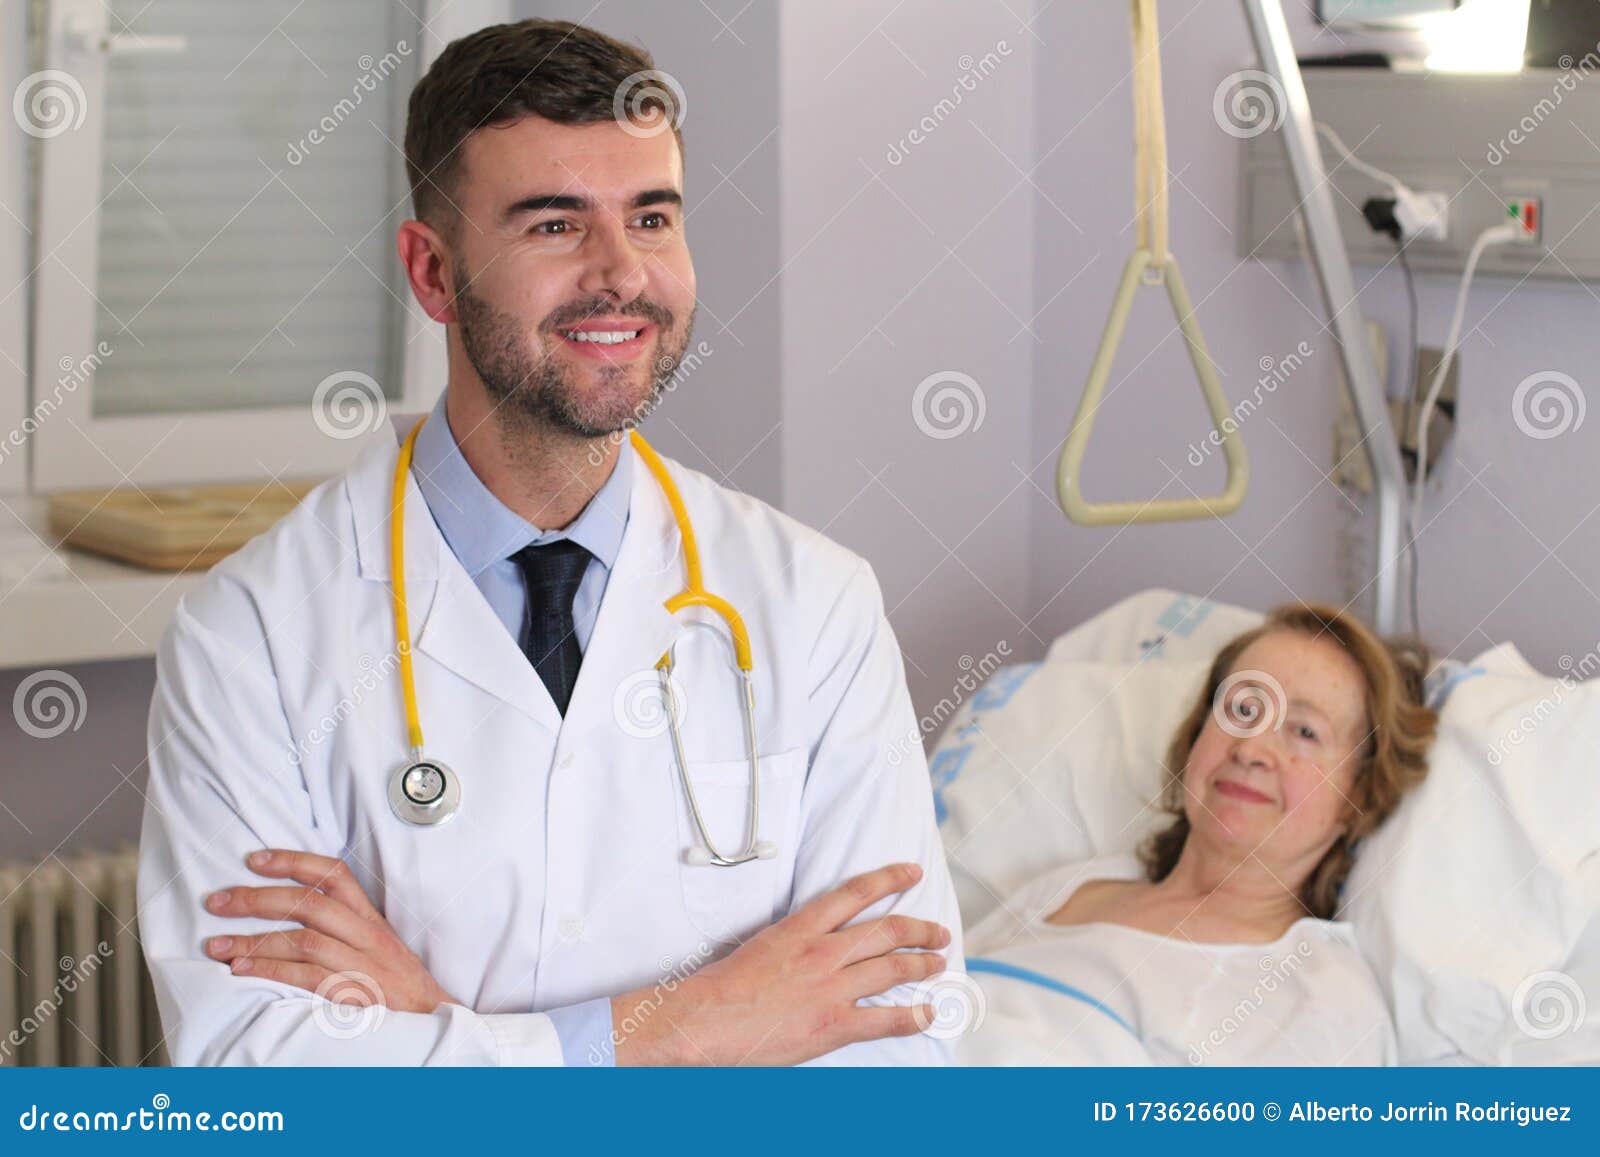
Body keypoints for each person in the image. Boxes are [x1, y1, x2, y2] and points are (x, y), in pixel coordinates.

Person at [137, 18, 960, 1067]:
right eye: (555, 225)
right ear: (432, 273)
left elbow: (899, 1048)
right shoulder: (250, 636)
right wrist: (692, 1030)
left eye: (652, 218)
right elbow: (256, 1070)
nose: (621, 275)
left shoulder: (816, 606)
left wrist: (441, 1026)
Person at [959, 603, 1436, 1065]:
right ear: (1195, 737)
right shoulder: (1066, 889)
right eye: (1242, 709)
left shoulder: (1322, 999)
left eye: (1305, 732)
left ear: (1362, 798)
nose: (1251, 748)